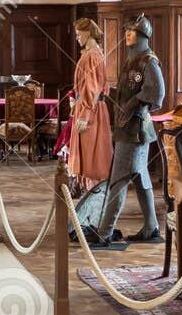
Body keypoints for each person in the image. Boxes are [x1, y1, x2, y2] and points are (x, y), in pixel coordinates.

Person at [88, 14, 165, 247]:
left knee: (119, 179)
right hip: (127, 128)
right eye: (127, 31)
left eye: (132, 31)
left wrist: (133, 104)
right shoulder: (131, 60)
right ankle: (151, 227)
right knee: (141, 179)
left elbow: (157, 94)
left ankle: (105, 231)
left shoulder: (148, 61)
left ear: (143, 35)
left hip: (136, 130)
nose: (127, 34)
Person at [67, 18, 113, 193]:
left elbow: (93, 89)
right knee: (88, 156)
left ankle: (93, 203)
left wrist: (85, 115)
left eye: (79, 34)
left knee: (92, 158)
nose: (77, 38)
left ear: (88, 33)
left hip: (91, 112)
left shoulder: (92, 56)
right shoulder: (91, 53)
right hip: (88, 108)